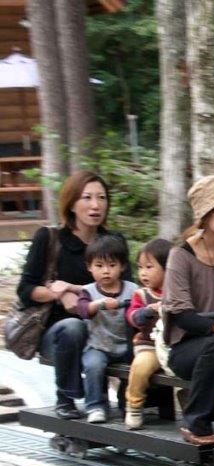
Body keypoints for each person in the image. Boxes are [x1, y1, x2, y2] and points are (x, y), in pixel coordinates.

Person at [15, 171, 128, 420]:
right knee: (73, 327)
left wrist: (72, 290)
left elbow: (126, 288)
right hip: (59, 335)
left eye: (101, 198)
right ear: (72, 203)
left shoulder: (113, 241)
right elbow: (26, 290)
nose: (95, 205)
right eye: (87, 197)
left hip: (105, 331)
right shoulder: (50, 238)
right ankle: (66, 397)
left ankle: (125, 400)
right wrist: (58, 295)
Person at [162, 175, 214, 446]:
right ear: (205, 215)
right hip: (190, 346)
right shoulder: (181, 255)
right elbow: (181, 315)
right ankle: (195, 423)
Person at [75, 234, 138, 423]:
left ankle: (127, 404)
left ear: (122, 266)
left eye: (112, 265)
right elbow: (82, 309)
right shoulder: (88, 291)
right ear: (89, 267)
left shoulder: (132, 289)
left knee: (135, 368)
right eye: (99, 266)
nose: (106, 271)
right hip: (98, 345)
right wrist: (99, 304)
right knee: (93, 366)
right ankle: (95, 405)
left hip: (127, 345)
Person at [124, 238, 171, 429]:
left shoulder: (179, 292)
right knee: (141, 366)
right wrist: (146, 312)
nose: (143, 272)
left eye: (149, 267)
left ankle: (190, 403)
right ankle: (134, 404)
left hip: (174, 346)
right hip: (149, 346)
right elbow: (132, 316)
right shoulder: (141, 294)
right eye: (140, 267)